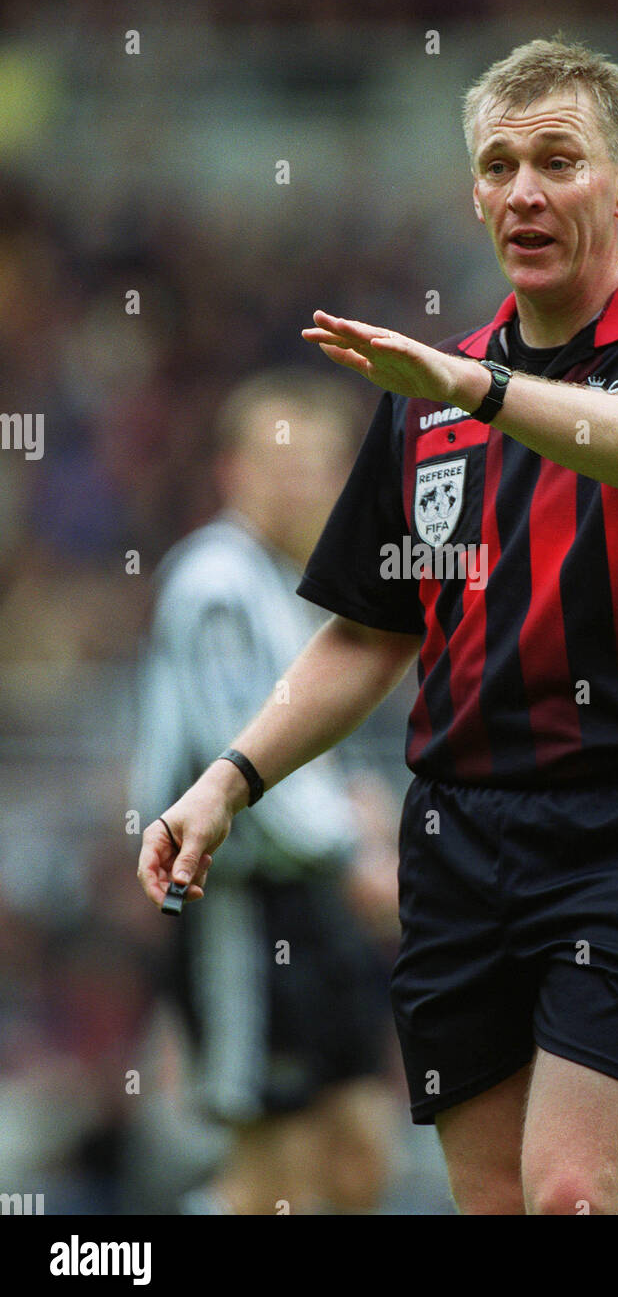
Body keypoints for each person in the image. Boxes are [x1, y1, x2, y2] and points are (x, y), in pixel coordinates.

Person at [137, 37, 618, 1215]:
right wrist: (230, 778)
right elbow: (367, 634)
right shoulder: (434, 395)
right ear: (475, 194)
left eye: (557, 160)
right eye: (497, 166)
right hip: (461, 843)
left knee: (573, 1198)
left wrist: (473, 390)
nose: (524, 191)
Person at [133, 372, 399, 1214]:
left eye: (318, 467)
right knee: (271, 1174)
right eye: (280, 465)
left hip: (313, 908)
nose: (303, 485)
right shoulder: (215, 579)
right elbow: (236, 763)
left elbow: (315, 747)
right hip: (244, 907)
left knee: (356, 1157)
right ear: (229, 473)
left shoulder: (290, 587)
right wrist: (357, 860)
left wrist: (364, 813)